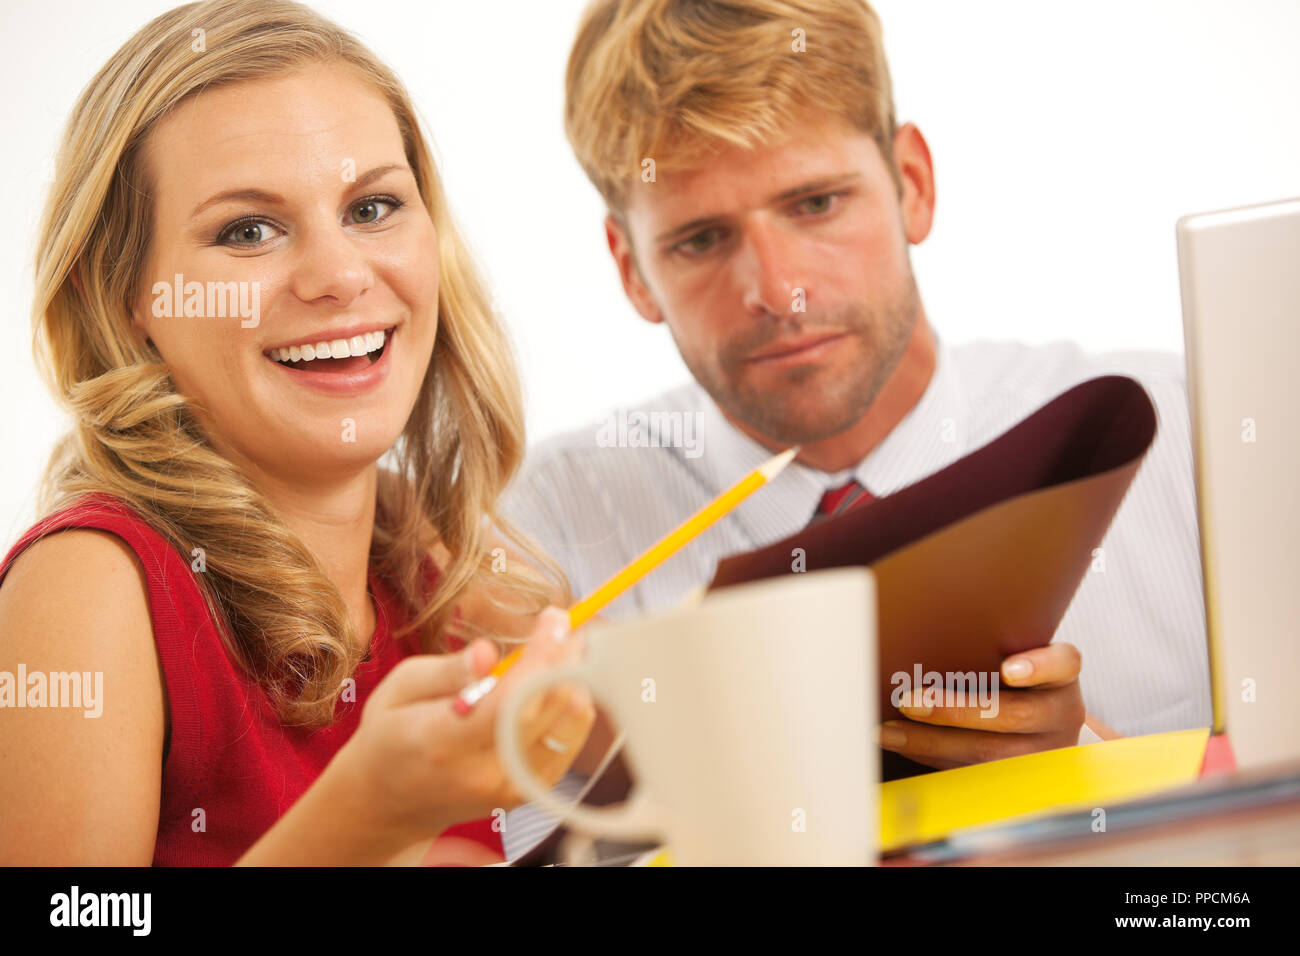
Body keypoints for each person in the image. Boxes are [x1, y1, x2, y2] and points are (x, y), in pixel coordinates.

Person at [501, 0, 1210, 857]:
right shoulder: (526, 547)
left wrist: (1079, 768)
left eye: (815, 203)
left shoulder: (1191, 443)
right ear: (633, 271)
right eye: (700, 240)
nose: (776, 287)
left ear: (912, 183)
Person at [0, 0, 594, 866]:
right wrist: (365, 822)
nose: (339, 275)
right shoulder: (91, 589)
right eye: (249, 230)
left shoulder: (427, 565)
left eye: (373, 208)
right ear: (125, 295)